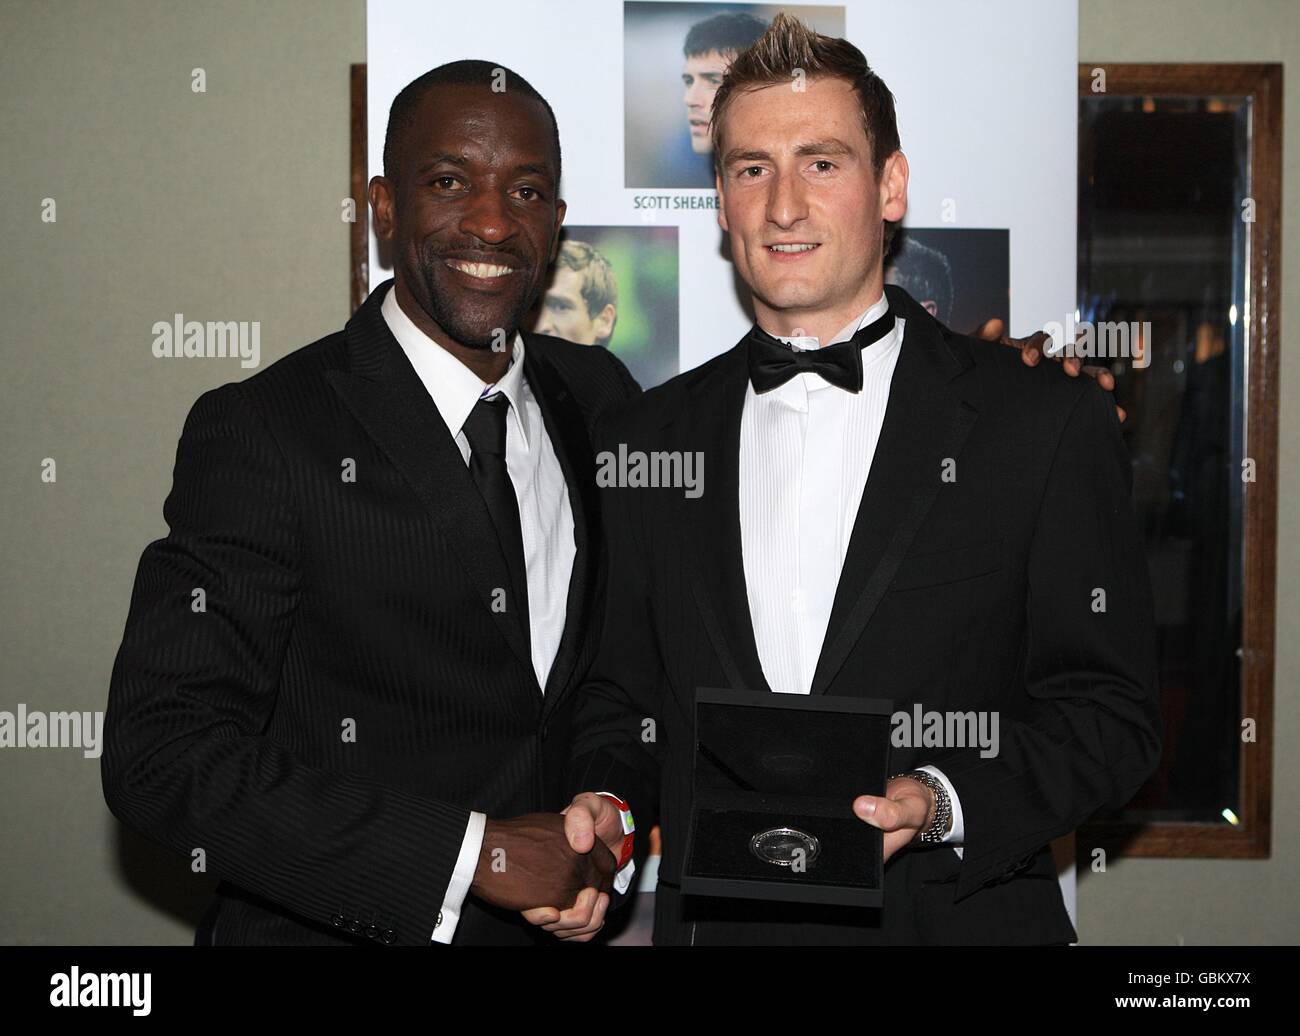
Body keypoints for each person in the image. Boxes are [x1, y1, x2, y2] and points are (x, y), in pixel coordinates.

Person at [558, 14, 1162, 945]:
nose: (785, 205)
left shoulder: (1040, 420)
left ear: (891, 186)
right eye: (752, 168)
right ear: (720, 200)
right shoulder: (645, 436)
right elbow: (621, 698)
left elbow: (1113, 716)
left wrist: (943, 798)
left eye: (823, 162)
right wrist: (606, 799)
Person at [101, 60, 637, 946]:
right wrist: (473, 858)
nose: (494, 220)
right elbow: (164, 752)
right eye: (449, 181)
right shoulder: (266, 430)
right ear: (384, 209)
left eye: (528, 190)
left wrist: (608, 808)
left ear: (557, 222)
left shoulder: (602, 399)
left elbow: (609, 679)